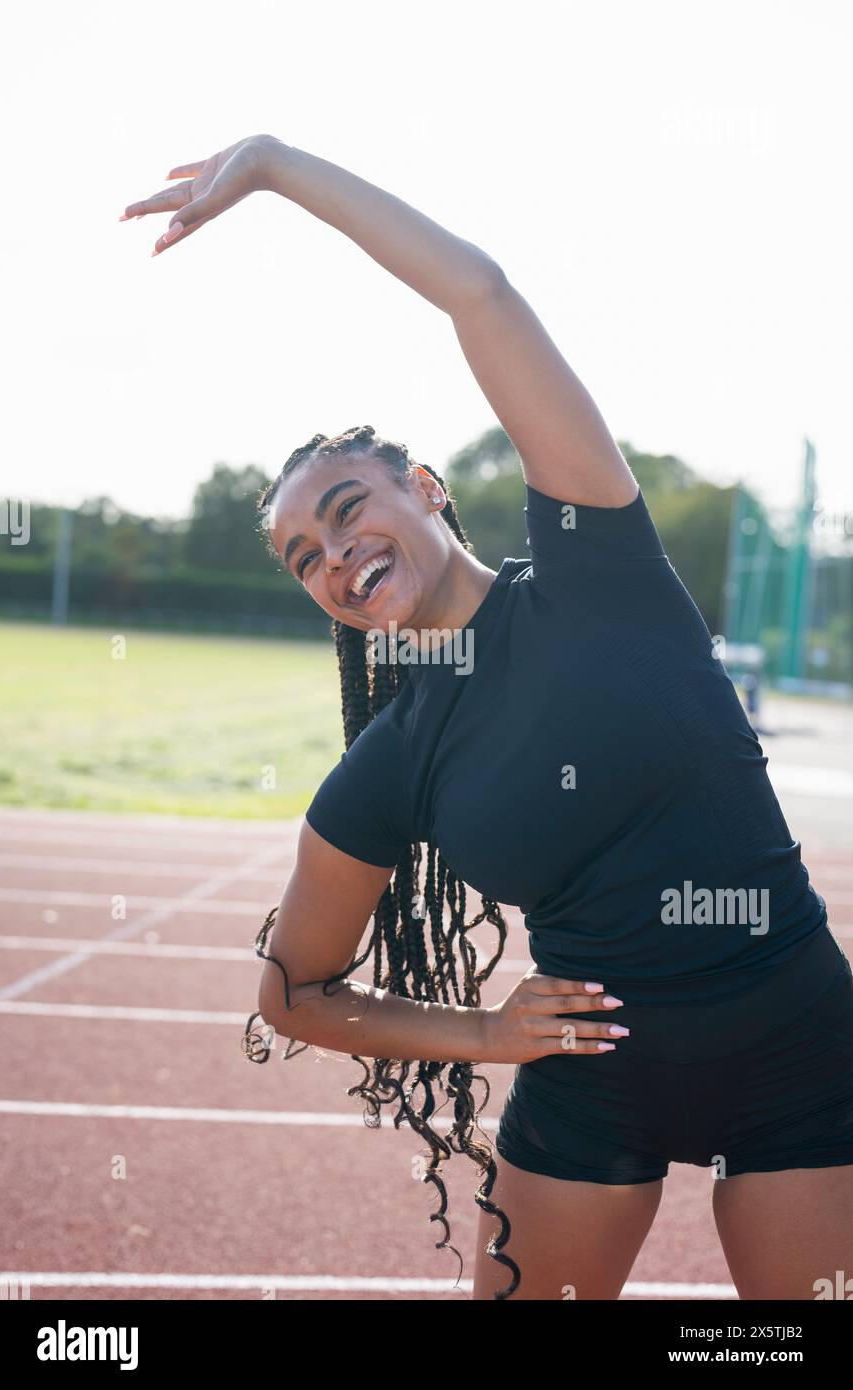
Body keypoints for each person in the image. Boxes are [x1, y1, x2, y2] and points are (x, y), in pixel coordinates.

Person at [121, 133, 853, 1301]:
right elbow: (291, 994)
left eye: (349, 509)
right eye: (305, 556)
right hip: (588, 1079)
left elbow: (479, 292)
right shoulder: (389, 764)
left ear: (422, 490)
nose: (336, 556)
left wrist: (270, 164)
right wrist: (483, 1034)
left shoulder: (593, 561)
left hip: (799, 1048)